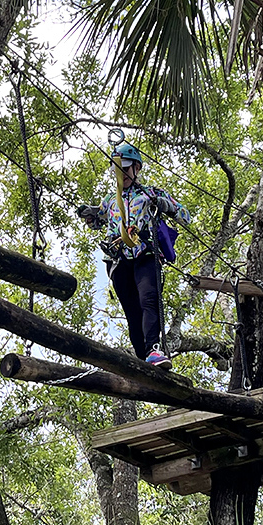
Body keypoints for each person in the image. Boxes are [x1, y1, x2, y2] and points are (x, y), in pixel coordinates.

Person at [77, 142, 191, 370]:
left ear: (136, 168)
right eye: (117, 170)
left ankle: (153, 349)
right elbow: (96, 222)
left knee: (148, 298)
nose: (122, 174)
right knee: (132, 310)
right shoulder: (110, 200)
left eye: (126, 169)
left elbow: (185, 216)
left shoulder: (151, 193)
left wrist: (165, 205)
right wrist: (89, 214)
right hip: (118, 259)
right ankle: (142, 355)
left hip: (146, 253)